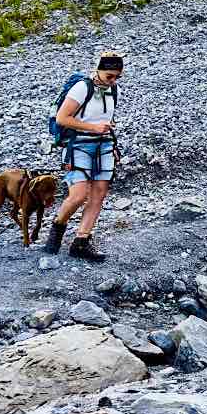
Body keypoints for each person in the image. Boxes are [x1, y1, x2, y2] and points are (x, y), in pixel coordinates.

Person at [45, 52, 122, 261]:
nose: (113, 81)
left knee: (98, 195)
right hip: (78, 145)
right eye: (110, 76)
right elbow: (62, 118)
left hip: (104, 145)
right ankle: (57, 228)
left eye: (117, 77)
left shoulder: (113, 90)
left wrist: (108, 137)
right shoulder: (81, 88)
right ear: (98, 70)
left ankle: (81, 242)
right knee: (78, 195)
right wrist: (93, 127)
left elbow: (105, 118)